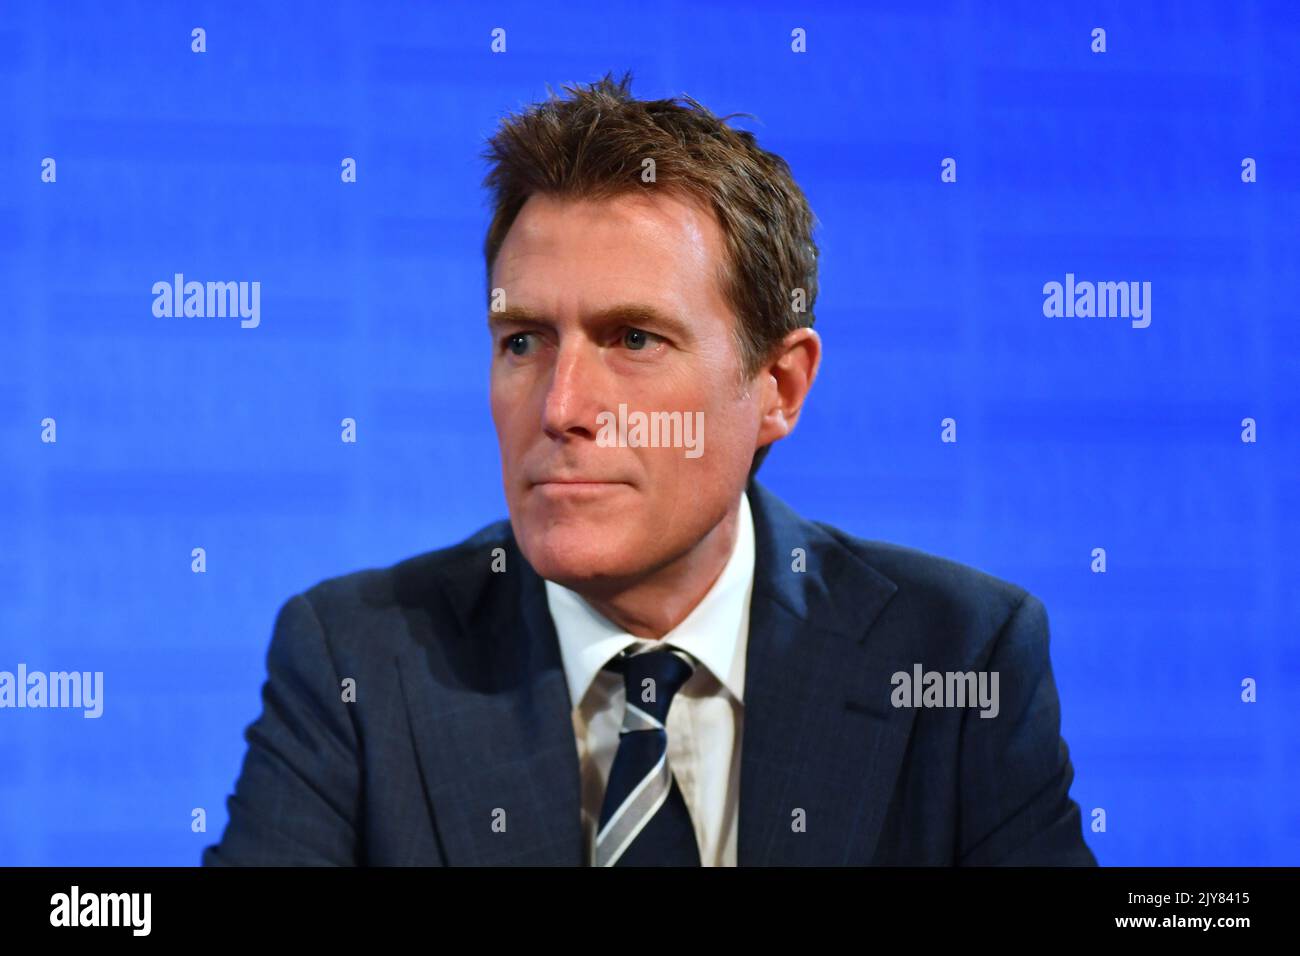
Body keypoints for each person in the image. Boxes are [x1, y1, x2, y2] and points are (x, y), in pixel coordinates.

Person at [202, 71, 1096, 867]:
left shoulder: (957, 654)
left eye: (633, 338)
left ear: (778, 386)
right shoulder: (362, 660)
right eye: (523, 341)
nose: (560, 407)